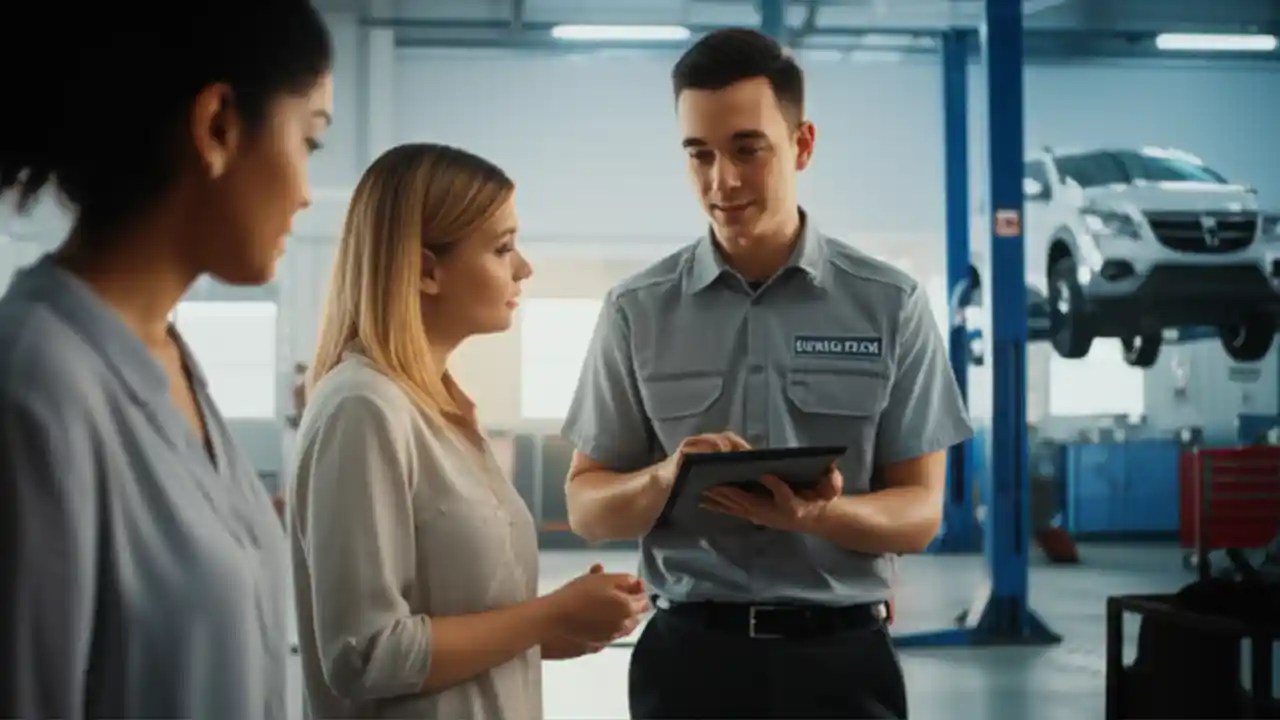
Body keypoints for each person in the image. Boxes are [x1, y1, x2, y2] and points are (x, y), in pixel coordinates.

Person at [561, 28, 974, 719]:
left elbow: (920, 514)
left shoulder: (890, 304)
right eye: (699, 154)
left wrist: (820, 516)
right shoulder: (638, 311)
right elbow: (586, 507)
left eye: (747, 149)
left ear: (802, 145)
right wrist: (666, 477)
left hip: (842, 667)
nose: (721, 181)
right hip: (688, 666)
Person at [0, 2, 334, 718]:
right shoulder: (37, 385)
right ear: (217, 126)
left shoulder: (171, 362)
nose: (307, 194)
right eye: (309, 140)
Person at [291, 143, 650, 720]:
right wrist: (548, 614)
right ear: (426, 270)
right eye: (502, 248)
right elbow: (365, 654)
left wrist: (549, 631)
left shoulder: (441, 409)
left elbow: (453, 627)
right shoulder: (363, 407)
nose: (523, 268)